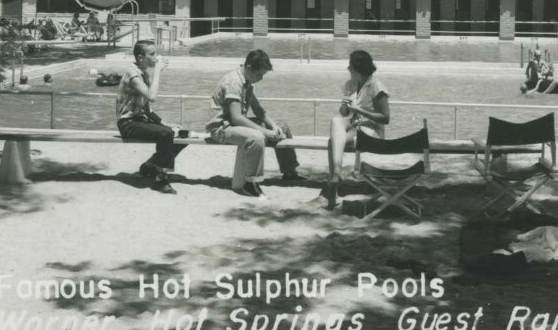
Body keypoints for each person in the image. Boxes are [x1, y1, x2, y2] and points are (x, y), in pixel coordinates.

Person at [207, 49, 300, 199]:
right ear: (249, 67)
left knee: (282, 125)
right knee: (256, 137)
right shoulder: (233, 82)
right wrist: (266, 132)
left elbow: (258, 110)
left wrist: (274, 126)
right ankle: (250, 183)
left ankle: (290, 172)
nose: (261, 78)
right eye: (259, 75)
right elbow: (236, 117)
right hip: (222, 128)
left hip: (236, 125)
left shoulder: (247, 81)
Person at [116, 40, 188, 192]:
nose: (157, 57)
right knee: (165, 134)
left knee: (182, 135)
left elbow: (148, 109)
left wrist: (165, 123)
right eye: (153, 54)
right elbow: (152, 96)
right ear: (141, 58)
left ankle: (150, 165)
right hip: (127, 123)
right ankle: (160, 179)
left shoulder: (144, 75)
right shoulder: (133, 73)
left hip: (140, 120)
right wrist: (158, 72)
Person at [321, 49, 389, 210]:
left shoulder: (376, 86)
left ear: (359, 67)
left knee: (333, 142)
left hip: (371, 131)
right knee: (336, 120)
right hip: (354, 127)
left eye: (350, 65)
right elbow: (345, 114)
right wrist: (345, 107)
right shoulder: (349, 85)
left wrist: (359, 111)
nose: (348, 68)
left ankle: (334, 182)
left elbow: (385, 118)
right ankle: (336, 175)